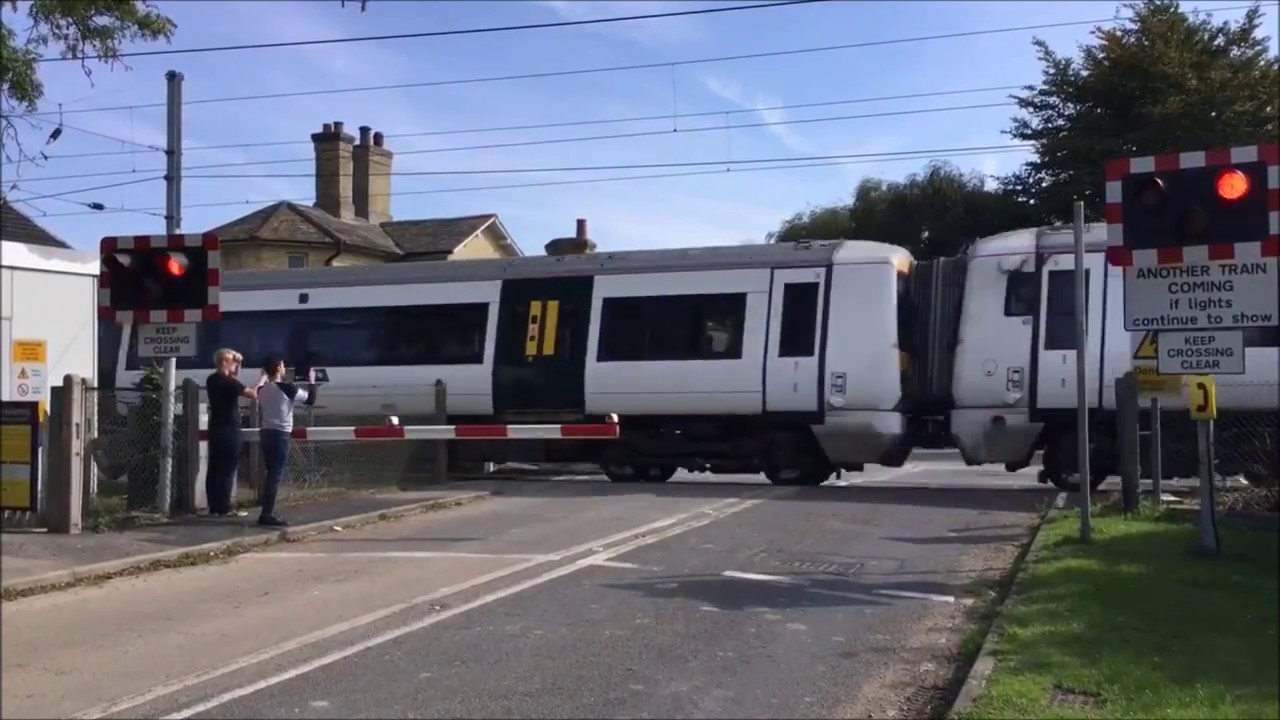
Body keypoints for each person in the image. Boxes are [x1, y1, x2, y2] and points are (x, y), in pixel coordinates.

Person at [256, 358, 318, 527]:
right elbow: (310, 400)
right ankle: (267, 513)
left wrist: (262, 377)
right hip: (280, 433)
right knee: (275, 474)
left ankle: (266, 510)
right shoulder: (287, 388)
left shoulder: (262, 390)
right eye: (282, 365)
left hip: (266, 432)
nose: (285, 368)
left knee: (271, 473)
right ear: (277, 368)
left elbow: (258, 388)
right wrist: (312, 381)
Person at [205, 349, 260, 517]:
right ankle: (224, 507)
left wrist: (238, 364)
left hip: (215, 428)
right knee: (228, 469)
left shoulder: (212, 380)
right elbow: (252, 394)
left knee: (214, 469)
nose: (236, 365)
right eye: (234, 362)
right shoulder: (230, 383)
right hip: (230, 429)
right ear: (225, 363)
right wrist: (261, 380)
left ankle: (214, 506)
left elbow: (234, 379)